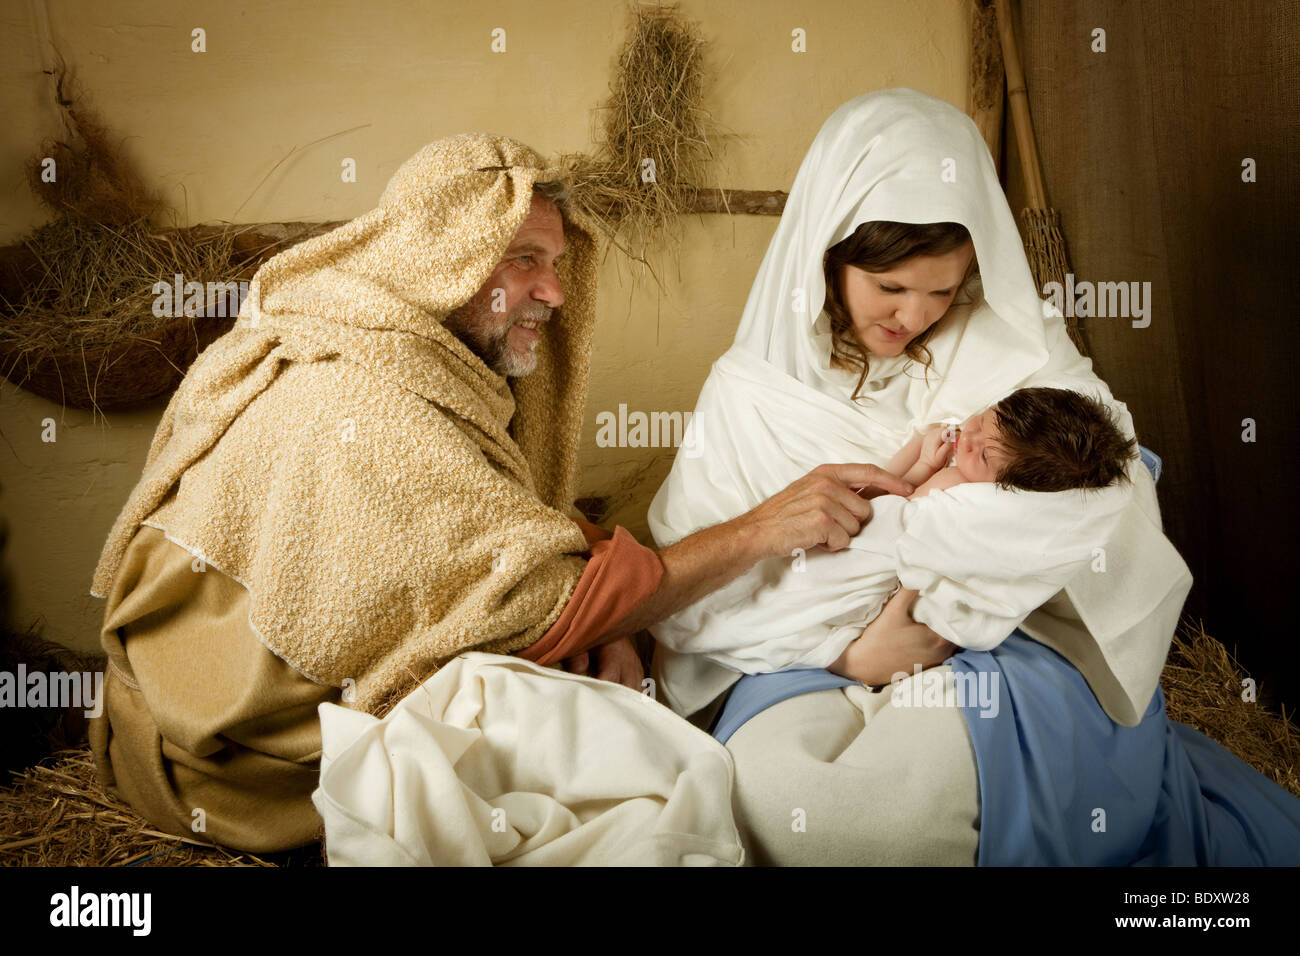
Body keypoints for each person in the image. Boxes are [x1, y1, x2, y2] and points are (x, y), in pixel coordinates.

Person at [87, 134, 911, 853]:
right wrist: (767, 528)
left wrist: (605, 613)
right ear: (440, 256)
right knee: (629, 769)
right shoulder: (364, 404)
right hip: (232, 761)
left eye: (554, 265)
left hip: (224, 718)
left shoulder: (406, 360)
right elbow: (544, 601)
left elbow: (504, 559)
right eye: (524, 260)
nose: (553, 292)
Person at [647, 88, 1197, 864]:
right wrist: (851, 654)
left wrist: (963, 567)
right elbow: (692, 590)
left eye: (944, 290)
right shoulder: (751, 390)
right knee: (798, 807)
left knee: (912, 810)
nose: (916, 317)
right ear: (831, 255)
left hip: (1012, 646)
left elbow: (1107, 475)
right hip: (799, 662)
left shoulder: (1010, 340)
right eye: (891, 288)